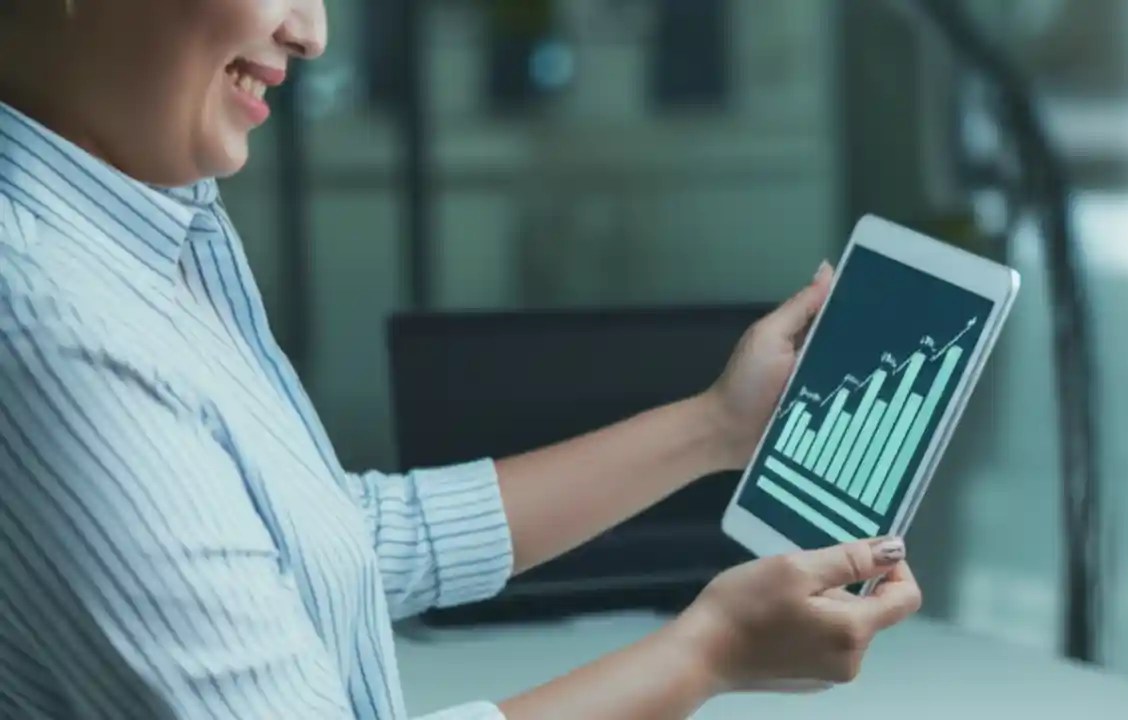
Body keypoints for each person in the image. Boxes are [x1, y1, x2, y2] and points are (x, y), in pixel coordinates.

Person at [0, 1, 923, 718]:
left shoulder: (140, 234)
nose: (312, 32)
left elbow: (327, 540)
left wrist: (717, 426)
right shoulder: (56, 325)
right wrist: (709, 653)